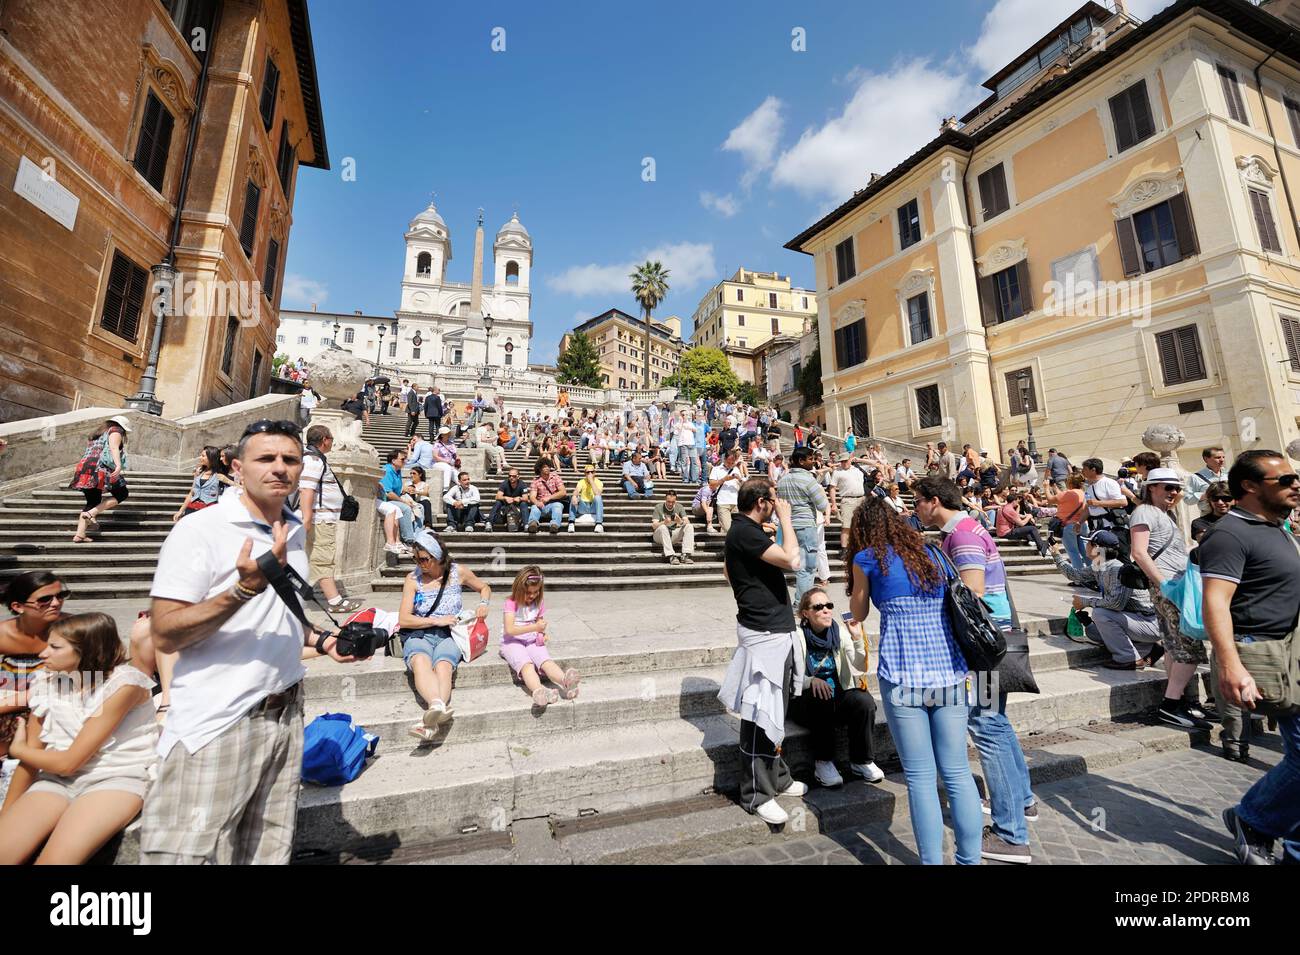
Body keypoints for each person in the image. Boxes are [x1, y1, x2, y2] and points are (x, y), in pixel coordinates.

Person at [140, 418, 357, 864]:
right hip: (219, 721)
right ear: (238, 468)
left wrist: (324, 641)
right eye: (266, 459)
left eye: (290, 460)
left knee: (267, 851)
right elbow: (164, 631)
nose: (279, 468)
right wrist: (241, 590)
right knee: (187, 854)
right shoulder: (201, 530)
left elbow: (283, 617)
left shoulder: (292, 529)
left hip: (286, 715)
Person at [846, 497, 983, 865]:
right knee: (956, 772)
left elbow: (857, 613)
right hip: (950, 671)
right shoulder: (934, 553)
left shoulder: (866, 560)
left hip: (902, 673)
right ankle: (970, 860)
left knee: (921, 778)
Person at [913, 477, 1036, 865]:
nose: (914, 509)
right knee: (996, 723)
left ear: (934, 502)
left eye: (917, 502)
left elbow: (972, 599)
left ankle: (1011, 835)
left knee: (986, 726)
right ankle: (1023, 801)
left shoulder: (962, 536)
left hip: (981, 651)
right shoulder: (968, 528)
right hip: (991, 644)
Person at [1201, 450, 1300, 863]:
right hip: (1264, 652)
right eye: (1285, 480)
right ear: (1250, 485)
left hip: (1293, 647)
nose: (1296, 484)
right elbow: (1216, 603)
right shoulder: (1229, 535)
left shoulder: (1277, 526)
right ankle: (1254, 818)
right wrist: (1229, 663)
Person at [0, 613, 159, 864]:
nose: (43, 654)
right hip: (56, 780)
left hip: (115, 779)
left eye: (54, 647)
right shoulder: (46, 681)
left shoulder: (125, 685)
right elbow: (33, 757)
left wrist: (17, 749)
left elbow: (69, 761)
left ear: (86, 650)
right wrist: (5, 816)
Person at [717, 477, 804, 825]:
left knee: (774, 711)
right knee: (759, 712)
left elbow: (728, 570)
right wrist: (786, 519)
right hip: (763, 631)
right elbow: (793, 560)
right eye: (774, 498)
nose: (778, 502)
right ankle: (756, 791)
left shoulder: (746, 532)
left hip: (772, 626)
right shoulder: (744, 531)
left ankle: (777, 776)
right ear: (761, 502)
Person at [1129, 468, 1211, 730]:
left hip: (1176, 583)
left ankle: (1178, 702)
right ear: (1151, 487)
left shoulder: (1166, 513)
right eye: (1167, 487)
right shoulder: (1143, 512)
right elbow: (1139, 553)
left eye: (1176, 488)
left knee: (1175, 645)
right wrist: (1163, 584)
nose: (1173, 492)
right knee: (1189, 646)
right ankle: (1170, 705)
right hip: (1168, 586)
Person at [398, 531, 491, 742]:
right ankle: (437, 705)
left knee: (444, 665)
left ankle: (430, 720)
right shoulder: (413, 580)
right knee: (420, 660)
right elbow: (404, 619)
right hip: (420, 631)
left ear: (437, 556)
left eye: (423, 558)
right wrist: (435, 620)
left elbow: (484, 587)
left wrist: (483, 603)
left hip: (451, 633)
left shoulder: (459, 572)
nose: (419, 563)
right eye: (415, 558)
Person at [788, 588, 882, 788]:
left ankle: (861, 761)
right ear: (806, 613)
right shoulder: (796, 636)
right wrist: (810, 681)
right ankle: (823, 763)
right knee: (820, 695)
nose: (826, 611)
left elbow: (860, 665)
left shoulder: (838, 632)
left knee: (864, 701)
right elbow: (787, 675)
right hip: (805, 702)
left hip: (836, 697)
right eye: (818, 607)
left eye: (829, 606)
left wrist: (857, 638)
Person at [1050, 530, 1163, 669]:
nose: (1085, 546)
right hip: (1135, 621)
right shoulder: (1100, 564)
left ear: (1097, 548)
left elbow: (1116, 604)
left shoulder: (1117, 570)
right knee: (1094, 632)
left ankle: (1128, 659)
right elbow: (1075, 575)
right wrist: (1056, 554)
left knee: (1101, 614)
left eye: (1088, 543)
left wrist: (1085, 602)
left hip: (1149, 623)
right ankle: (1149, 649)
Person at [0, 572, 66, 780]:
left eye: (61, 595)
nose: (56, 603)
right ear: (18, 606)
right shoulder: (3, 633)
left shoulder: (73, 630)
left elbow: (90, 678)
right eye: (44, 599)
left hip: (53, 699)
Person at [299, 426, 361, 613]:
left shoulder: (312, 458)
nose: (333, 442)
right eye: (332, 438)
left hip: (321, 517)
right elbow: (306, 489)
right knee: (323, 559)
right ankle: (335, 602)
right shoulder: (313, 460)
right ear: (325, 439)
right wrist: (307, 517)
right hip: (320, 519)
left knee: (313, 558)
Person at [500, 567, 579, 709]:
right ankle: (539, 690)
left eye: (536, 592)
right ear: (518, 589)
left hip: (532, 639)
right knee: (527, 665)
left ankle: (565, 682)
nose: (532, 596)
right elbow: (509, 629)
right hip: (511, 642)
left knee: (546, 661)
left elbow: (540, 623)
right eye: (528, 593)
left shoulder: (538, 602)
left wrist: (542, 633)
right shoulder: (511, 603)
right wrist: (535, 628)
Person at [777, 447, 829, 606]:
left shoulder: (783, 479)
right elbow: (822, 504)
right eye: (810, 458)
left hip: (788, 526)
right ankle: (801, 604)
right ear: (801, 461)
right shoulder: (808, 480)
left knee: (795, 565)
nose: (813, 461)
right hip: (806, 526)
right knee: (807, 568)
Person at [69, 416, 130, 544]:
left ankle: (79, 535)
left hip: (85, 467)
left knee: (93, 500)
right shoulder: (115, 430)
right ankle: (91, 514)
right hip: (100, 468)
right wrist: (118, 465)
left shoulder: (97, 434)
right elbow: (113, 448)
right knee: (122, 493)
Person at [172, 446, 231, 521]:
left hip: (208, 512)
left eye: (203, 456)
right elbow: (192, 492)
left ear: (211, 457)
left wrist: (229, 481)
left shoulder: (220, 475)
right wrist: (181, 510)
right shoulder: (199, 472)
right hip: (191, 510)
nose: (200, 458)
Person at [995, 489, 1050, 557]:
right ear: (1014, 501)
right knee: (1032, 528)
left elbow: (1016, 516)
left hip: (1001, 532)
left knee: (1027, 529)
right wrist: (1029, 516)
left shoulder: (1005, 507)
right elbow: (1021, 523)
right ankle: (1042, 549)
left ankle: (1034, 541)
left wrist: (1024, 515)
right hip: (1006, 533)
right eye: (1017, 501)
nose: (1018, 502)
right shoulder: (1010, 510)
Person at [1055, 473, 1089, 570]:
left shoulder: (1068, 494)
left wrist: (1045, 487)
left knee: (1073, 552)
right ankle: (1093, 574)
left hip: (1069, 525)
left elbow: (1051, 499)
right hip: (1082, 524)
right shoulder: (1084, 493)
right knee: (1085, 552)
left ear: (1069, 483)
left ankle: (1079, 577)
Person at [652, 490, 695, 565]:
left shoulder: (679, 506)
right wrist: (664, 522)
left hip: (673, 535)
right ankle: (671, 555)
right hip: (659, 536)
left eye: (673, 502)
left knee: (689, 526)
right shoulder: (658, 507)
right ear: (665, 499)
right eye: (668, 501)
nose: (670, 504)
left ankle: (685, 555)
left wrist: (680, 522)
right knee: (662, 527)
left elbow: (687, 521)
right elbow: (654, 526)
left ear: (675, 500)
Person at [1082, 458, 1126, 530]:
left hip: (1111, 526)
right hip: (1097, 526)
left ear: (1093, 470)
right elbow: (1088, 508)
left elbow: (1123, 502)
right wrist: (1079, 522)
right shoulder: (1089, 488)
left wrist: (1098, 503)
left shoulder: (1109, 482)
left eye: (1085, 469)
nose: (1082, 471)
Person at [526, 458, 567, 535]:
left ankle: (554, 525)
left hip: (554, 503)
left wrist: (549, 498)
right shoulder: (536, 481)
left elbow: (563, 492)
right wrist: (536, 502)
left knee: (558, 505)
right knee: (534, 507)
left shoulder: (555, 477)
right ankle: (533, 524)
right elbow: (532, 496)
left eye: (548, 466)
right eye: (544, 467)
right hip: (541, 505)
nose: (547, 468)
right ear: (540, 468)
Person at [1185, 446, 1229, 515]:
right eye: (1218, 457)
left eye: (1223, 457)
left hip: (1230, 514)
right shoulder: (1196, 477)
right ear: (1206, 459)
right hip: (1209, 516)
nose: (1222, 460)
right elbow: (1188, 500)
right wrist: (1206, 494)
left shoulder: (1229, 474)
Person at [709, 448, 743, 532]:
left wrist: (740, 479)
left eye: (732, 462)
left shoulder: (736, 469)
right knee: (728, 529)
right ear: (724, 459)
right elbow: (711, 484)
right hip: (723, 502)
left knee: (738, 530)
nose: (730, 464)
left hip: (735, 503)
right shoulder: (716, 469)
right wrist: (724, 479)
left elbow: (743, 485)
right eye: (729, 462)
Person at [489, 467, 531, 532]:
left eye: (514, 476)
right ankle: (489, 523)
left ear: (518, 477)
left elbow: (526, 498)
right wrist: (505, 497)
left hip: (517, 507)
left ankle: (526, 525)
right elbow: (497, 496)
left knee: (524, 503)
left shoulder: (522, 484)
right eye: (510, 476)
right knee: (498, 502)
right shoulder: (505, 483)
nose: (511, 478)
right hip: (506, 506)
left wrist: (519, 498)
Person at [569, 464, 605, 534]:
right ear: (585, 473)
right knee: (574, 496)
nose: (590, 474)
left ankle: (599, 523)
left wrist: (591, 481)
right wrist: (574, 496)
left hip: (593, 506)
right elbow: (576, 490)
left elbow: (598, 493)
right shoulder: (581, 481)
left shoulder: (599, 482)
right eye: (588, 472)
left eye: (592, 472)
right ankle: (571, 522)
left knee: (598, 497)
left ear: (595, 473)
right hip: (583, 506)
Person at [430, 427, 459, 495]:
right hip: (438, 463)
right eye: (447, 433)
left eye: (449, 433)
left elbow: (455, 454)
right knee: (447, 468)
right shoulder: (437, 444)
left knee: (458, 476)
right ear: (442, 435)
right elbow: (435, 457)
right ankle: (445, 489)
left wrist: (458, 460)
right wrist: (447, 461)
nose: (449, 434)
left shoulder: (451, 443)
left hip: (451, 464)